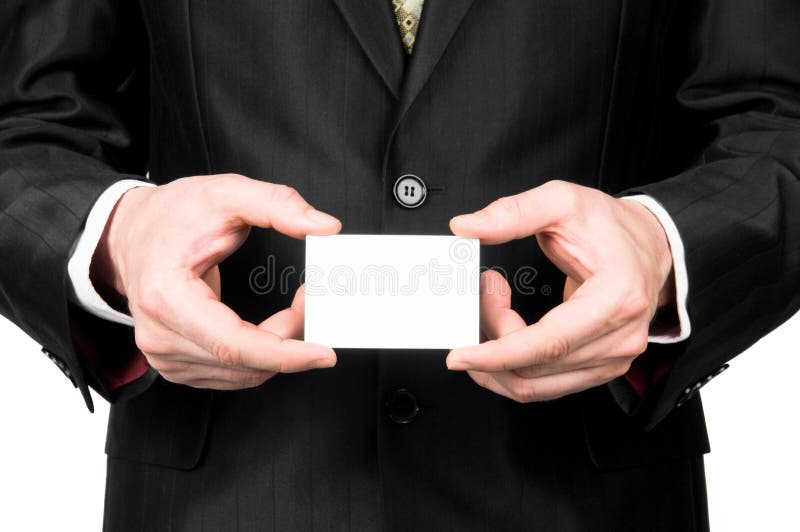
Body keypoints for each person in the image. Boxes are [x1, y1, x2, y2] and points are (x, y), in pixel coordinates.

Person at [1, 0, 798, 530]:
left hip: (586, 498)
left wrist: (662, 249)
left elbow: (780, 123)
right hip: (223, 500)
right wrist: (119, 239)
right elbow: (22, 129)